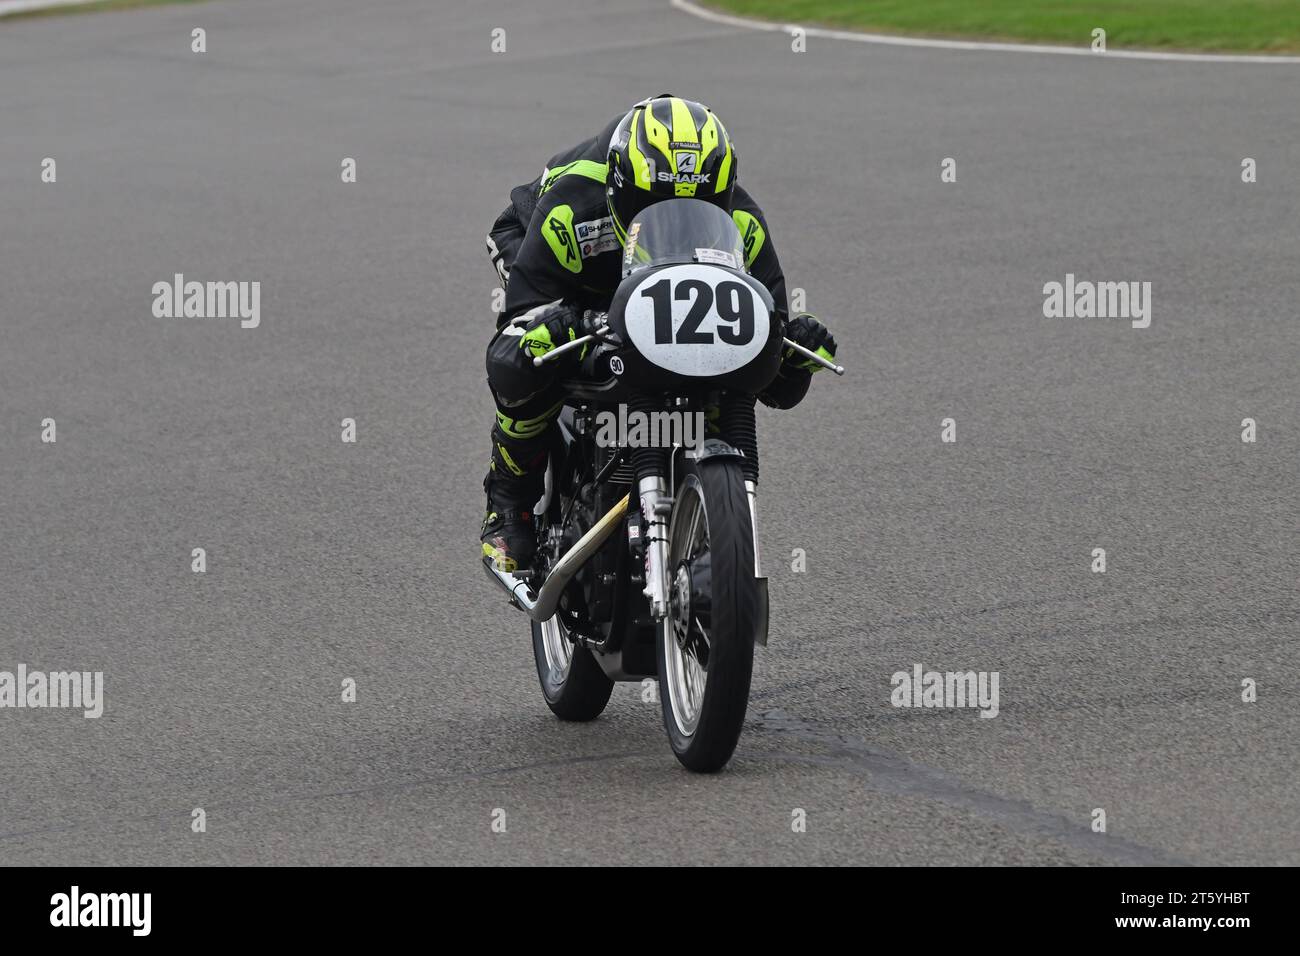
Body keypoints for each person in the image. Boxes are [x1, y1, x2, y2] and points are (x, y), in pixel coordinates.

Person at [481, 95, 837, 573]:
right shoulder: (573, 208)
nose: (674, 219)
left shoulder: (742, 220)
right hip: (564, 265)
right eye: (656, 206)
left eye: (697, 207)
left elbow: (768, 344)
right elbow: (512, 348)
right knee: (532, 360)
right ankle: (509, 503)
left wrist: (793, 349)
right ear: (622, 190)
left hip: (665, 279)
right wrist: (559, 322)